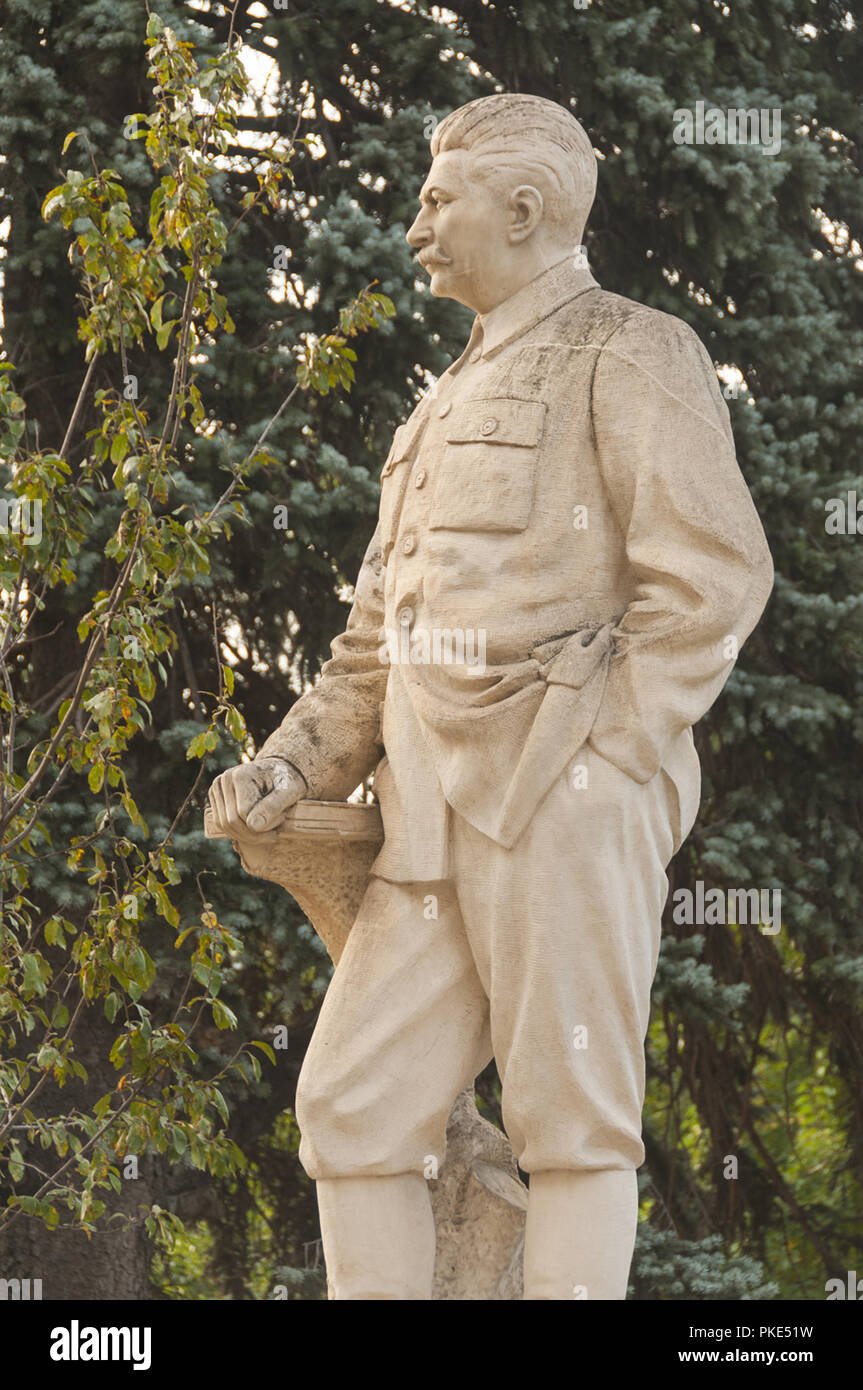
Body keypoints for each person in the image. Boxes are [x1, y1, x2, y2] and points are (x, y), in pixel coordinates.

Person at [206, 93, 774, 1300]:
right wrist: (294, 768)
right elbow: (374, 638)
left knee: (571, 1120)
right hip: (425, 817)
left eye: (434, 199)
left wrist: (604, 748)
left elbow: (713, 577)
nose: (412, 225)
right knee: (352, 1108)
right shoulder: (433, 409)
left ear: (521, 210)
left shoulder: (630, 348)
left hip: (558, 796)